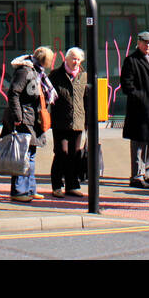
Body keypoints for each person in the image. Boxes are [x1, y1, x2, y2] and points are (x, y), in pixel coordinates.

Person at [1, 46, 57, 203]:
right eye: (49, 60)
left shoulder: (37, 72)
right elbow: (13, 93)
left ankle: (30, 189)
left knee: (30, 154)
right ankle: (19, 191)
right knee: (23, 155)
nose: (50, 63)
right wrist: (18, 116)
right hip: (24, 118)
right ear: (43, 60)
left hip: (33, 118)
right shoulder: (25, 71)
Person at [120, 31, 149, 188]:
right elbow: (127, 85)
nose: (148, 45)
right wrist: (142, 98)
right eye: (145, 43)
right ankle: (137, 175)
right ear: (139, 43)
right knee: (138, 143)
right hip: (139, 110)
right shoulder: (131, 60)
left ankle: (147, 173)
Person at [49, 47, 89, 197]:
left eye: (78, 59)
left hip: (78, 121)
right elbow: (48, 97)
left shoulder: (83, 76)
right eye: (73, 58)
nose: (76, 62)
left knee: (74, 153)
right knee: (61, 152)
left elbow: (86, 98)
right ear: (66, 59)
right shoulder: (55, 75)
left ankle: (72, 185)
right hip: (60, 122)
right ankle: (57, 185)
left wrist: (89, 121)